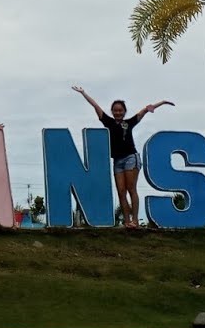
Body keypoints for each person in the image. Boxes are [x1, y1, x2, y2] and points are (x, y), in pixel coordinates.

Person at [71, 86, 173, 228]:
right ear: (112, 111)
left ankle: (135, 221)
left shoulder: (129, 122)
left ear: (124, 112)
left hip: (131, 158)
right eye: (115, 110)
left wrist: (161, 103)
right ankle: (126, 221)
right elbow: (95, 106)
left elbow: (144, 110)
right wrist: (83, 93)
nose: (118, 112)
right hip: (117, 161)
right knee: (121, 192)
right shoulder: (108, 122)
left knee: (131, 189)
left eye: (120, 110)